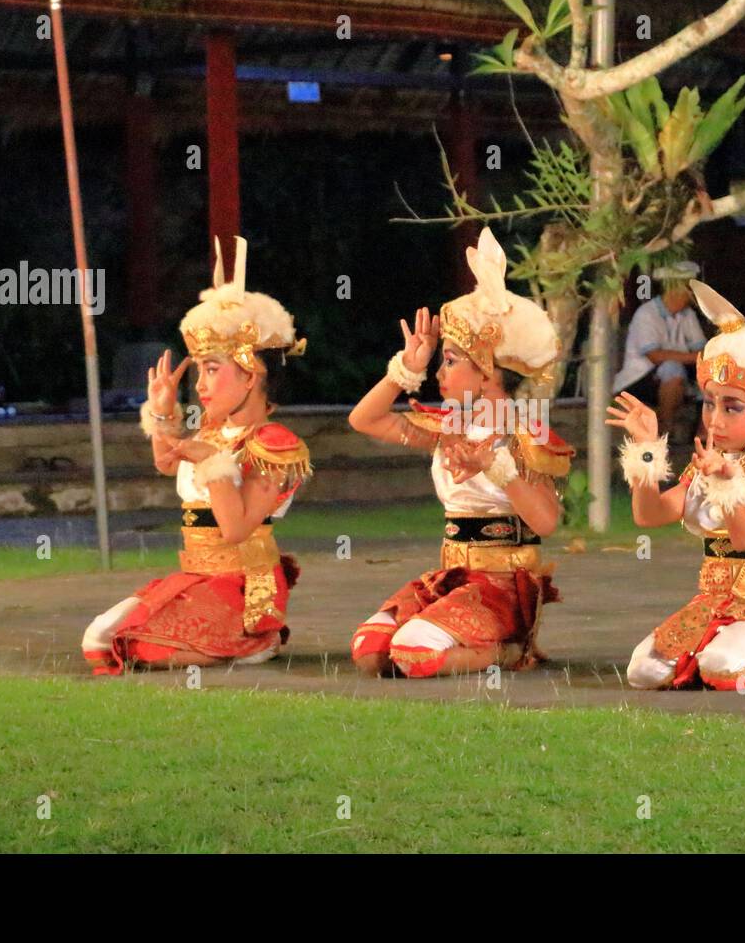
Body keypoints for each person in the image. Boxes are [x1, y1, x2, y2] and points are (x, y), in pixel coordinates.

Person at [347, 227, 575, 678]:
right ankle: (458, 637)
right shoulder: (449, 426)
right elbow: (364, 420)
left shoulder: (523, 433)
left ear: (488, 370)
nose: (439, 372)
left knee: (413, 655)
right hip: (452, 578)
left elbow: (547, 522)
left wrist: (494, 465)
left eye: (449, 360)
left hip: (501, 587)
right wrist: (405, 368)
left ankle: (509, 649)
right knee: (369, 651)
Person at [81, 237, 312, 675]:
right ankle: (229, 643)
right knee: (99, 639)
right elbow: (167, 462)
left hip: (242, 585)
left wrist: (214, 464)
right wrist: (163, 411)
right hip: (196, 576)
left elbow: (236, 528)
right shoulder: (213, 431)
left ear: (250, 375)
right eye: (200, 370)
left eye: (212, 370)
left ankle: (254, 640)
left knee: (131, 646)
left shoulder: (275, 444)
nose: (200, 385)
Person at [610, 277, 745, 691]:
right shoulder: (706, 466)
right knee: (643, 671)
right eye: (711, 403)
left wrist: (725, 484)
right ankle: (724, 649)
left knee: (721, 668)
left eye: (732, 407)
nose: (715, 419)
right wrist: (645, 448)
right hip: (713, 603)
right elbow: (649, 514)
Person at [612, 261, 709, 443]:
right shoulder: (646, 314)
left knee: (710, 375)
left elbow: (700, 348)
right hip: (638, 380)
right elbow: (655, 356)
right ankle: (664, 428)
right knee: (672, 369)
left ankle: (702, 433)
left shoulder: (687, 315)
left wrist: (703, 359)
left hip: (671, 375)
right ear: (677, 289)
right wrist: (699, 358)